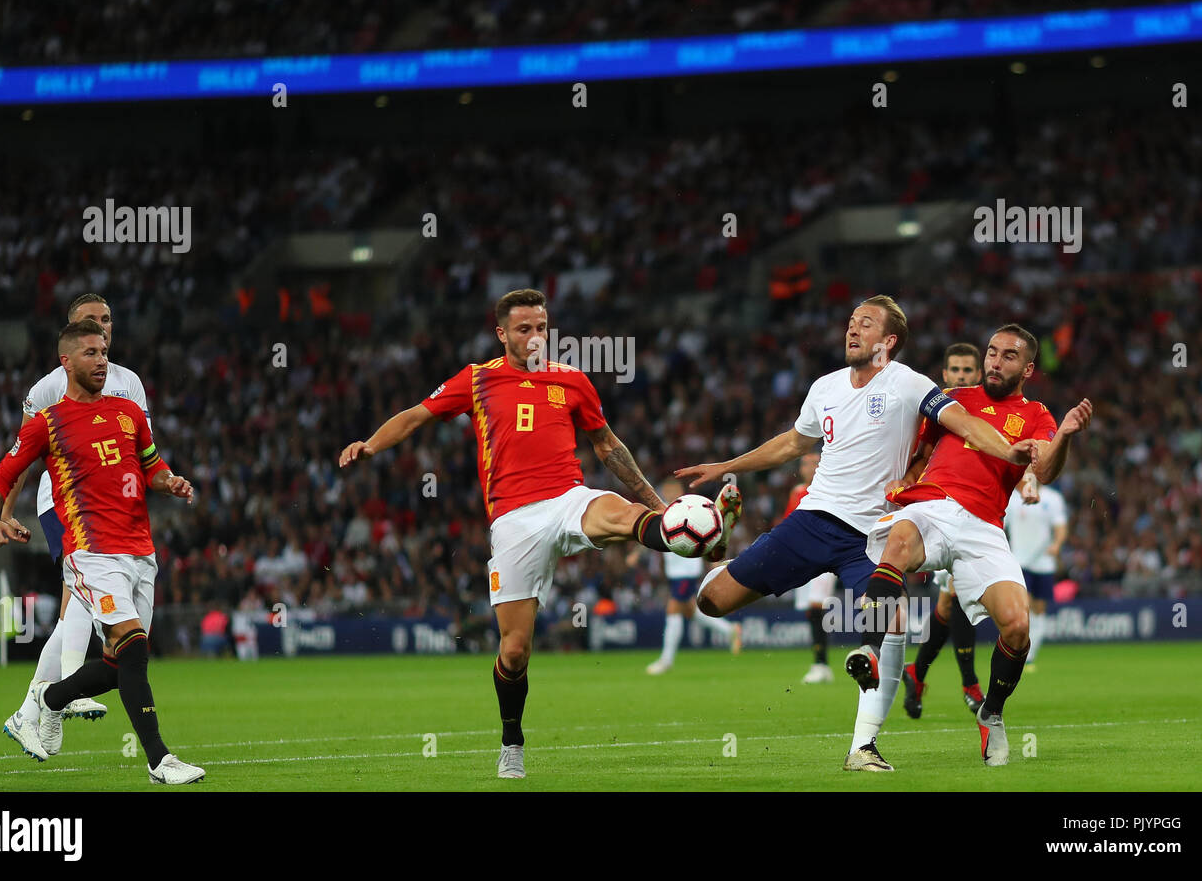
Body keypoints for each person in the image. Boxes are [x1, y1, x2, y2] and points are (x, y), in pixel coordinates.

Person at [338, 289, 739, 779]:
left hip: (569, 498)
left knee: (621, 515)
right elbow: (417, 415)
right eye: (524, 328)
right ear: (502, 333)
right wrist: (371, 445)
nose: (534, 337)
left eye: (541, 327)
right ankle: (512, 741)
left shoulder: (571, 380)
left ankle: (689, 530)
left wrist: (660, 506)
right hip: (514, 519)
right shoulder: (478, 379)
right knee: (514, 650)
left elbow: (608, 447)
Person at [676, 296, 1031, 772]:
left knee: (894, 623)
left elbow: (962, 421)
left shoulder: (908, 383)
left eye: (866, 324)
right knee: (712, 601)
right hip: (814, 520)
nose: (853, 329)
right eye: (851, 322)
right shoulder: (824, 387)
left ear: (889, 341)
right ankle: (719, 551)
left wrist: (1009, 454)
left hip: (872, 535)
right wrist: (727, 465)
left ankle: (863, 747)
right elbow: (792, 443)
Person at [852, 324, 1092, 767]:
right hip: (933, 507)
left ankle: (992, 711)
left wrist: (1065, 437)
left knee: (1017, 626)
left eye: (1008, 357)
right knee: (899, 542)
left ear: (1028, 368)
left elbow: (1047, 468)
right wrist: (904, 480)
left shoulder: (1037, 413)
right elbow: (918, 453)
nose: (995, 362)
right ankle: (868, 646)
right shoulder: (952, 400)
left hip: (984, 525)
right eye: (992, 353)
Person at [0, 318, 205, 784]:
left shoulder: (127, 411)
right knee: (134, 648)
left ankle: (47, 700)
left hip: (140, 551)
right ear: (66, 361)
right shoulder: (49, 422)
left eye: (103, 351)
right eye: (90, 353)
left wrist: (171, 482)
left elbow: (152, 467)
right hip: (91, 552)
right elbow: (3, 474)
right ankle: (160, 761)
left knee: (116, 664)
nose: (101, 360)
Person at [0, 294, 151, 752]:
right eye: (90, 323)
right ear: (69, 336)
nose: (100, 329)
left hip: (116, 512)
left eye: (106, 320)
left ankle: (35, 710)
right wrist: (5, 511)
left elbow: (142, 452)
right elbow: (22, 454)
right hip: (65, 504)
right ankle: (61, 695)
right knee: (80, 603)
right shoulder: (48, 387)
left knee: (79, 609)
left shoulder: (130, 383)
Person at [899, 342, 990, 717]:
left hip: (983, 510)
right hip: (941, 512)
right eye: (955, 370)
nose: (962, 377)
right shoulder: (934, 413)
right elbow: (914, 455)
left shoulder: (990, 410)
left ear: (979, 375)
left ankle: (916, 673)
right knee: (960, 592)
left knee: (949, 601)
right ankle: (970, 684)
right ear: (945, 374)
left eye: (969, 371)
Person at [643, 478, 742, 676]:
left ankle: (666, 660)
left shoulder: (689, 511)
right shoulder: (665, 513)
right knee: (690, 612)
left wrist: (712, 560)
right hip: (676, 572)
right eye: (666, 488)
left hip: (686, 571)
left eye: (673, 489)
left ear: (680, 491)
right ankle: (730, 630)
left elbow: (704, 533)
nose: (669, 492)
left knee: (673, 610)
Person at [781, 453, 839, 684]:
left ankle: (821, 664)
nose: (810, 467)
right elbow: (788, 523)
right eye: (806, 463)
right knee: (811, 610)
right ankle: (820, 663)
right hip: (803, 557)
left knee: (817, 606)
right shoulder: (796, 492)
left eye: (815, 463)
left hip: (825, 556)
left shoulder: (831, 490)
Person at [1005, 478, 1068, 670]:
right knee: (1025, 607)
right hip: (1020, 561)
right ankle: (1022, 653)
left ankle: (1030, 655)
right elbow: (999, 524)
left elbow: (1060, 527)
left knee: (1039, 610)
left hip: (1043, 562)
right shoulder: (1012, 498)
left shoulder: (1053, 498)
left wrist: (1057, 544)